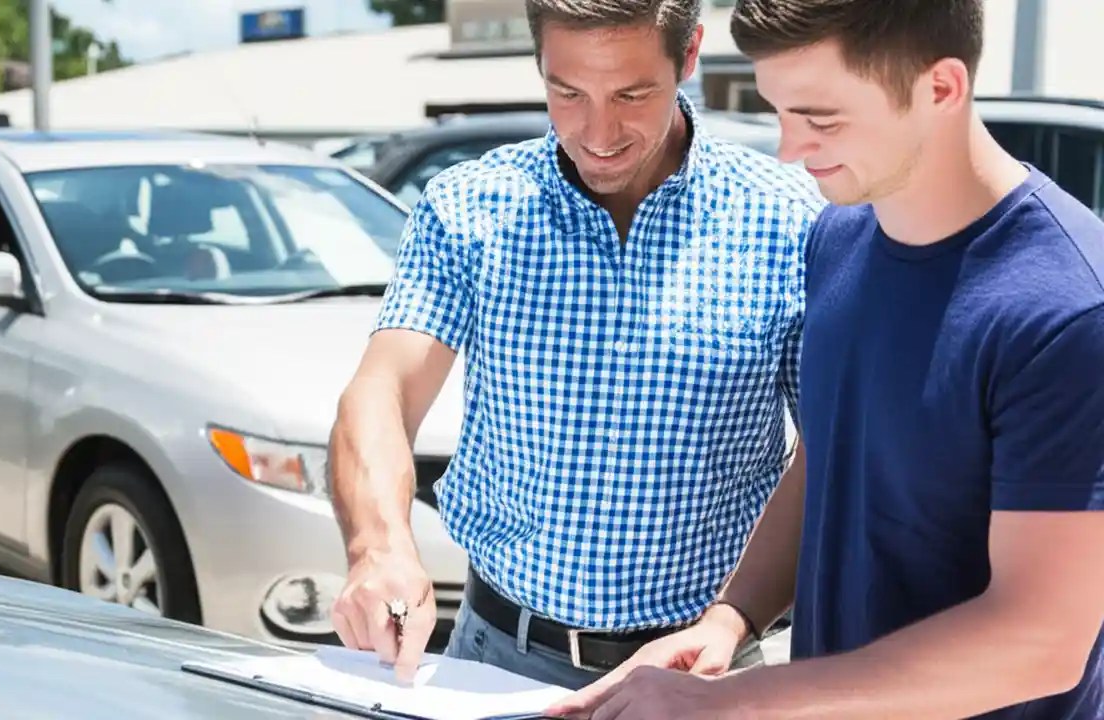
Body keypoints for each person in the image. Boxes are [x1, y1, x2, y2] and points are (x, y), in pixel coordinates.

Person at [548, 0, 1104, 717]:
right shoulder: (839, 237)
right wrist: (731, 618)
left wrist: (744, 700)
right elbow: (829, 455)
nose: (788, 149)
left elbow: (1040, 641)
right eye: (779, 112)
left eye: (820, 118)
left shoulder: (1068, 310)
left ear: (940, 89)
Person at [327, 0, 822, 690]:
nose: (599, 132)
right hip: (498, 660)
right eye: (567, 92)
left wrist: (735, 619)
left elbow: (829, 446)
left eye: (632, 93)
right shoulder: (470, 206)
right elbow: (384, 391)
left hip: (703, 670)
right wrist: (378, 544)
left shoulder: (790, 220)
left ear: (688, 57)